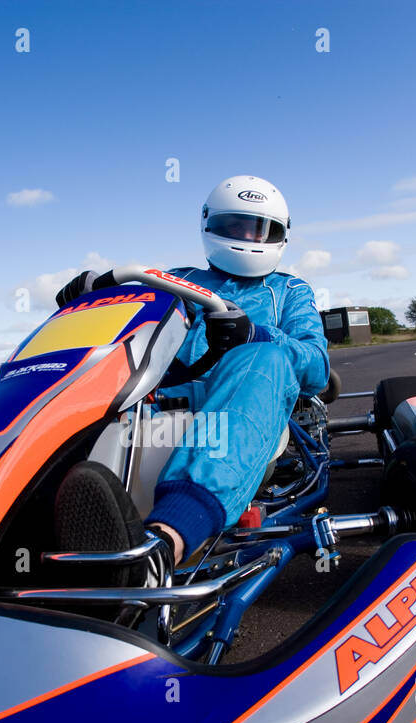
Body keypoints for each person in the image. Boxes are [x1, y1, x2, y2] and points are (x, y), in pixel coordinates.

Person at [53, 175, 330, 575]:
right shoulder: (176, 281)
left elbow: (317, 368)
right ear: (209, 224)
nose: (245, 236)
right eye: (234, 225)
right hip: (151, 418)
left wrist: (257, 334)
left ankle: (162, 549)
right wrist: (93, 299)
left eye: (257, 228)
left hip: (246, 419)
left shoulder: (290, 291)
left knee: (262, 357)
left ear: (279, 236)